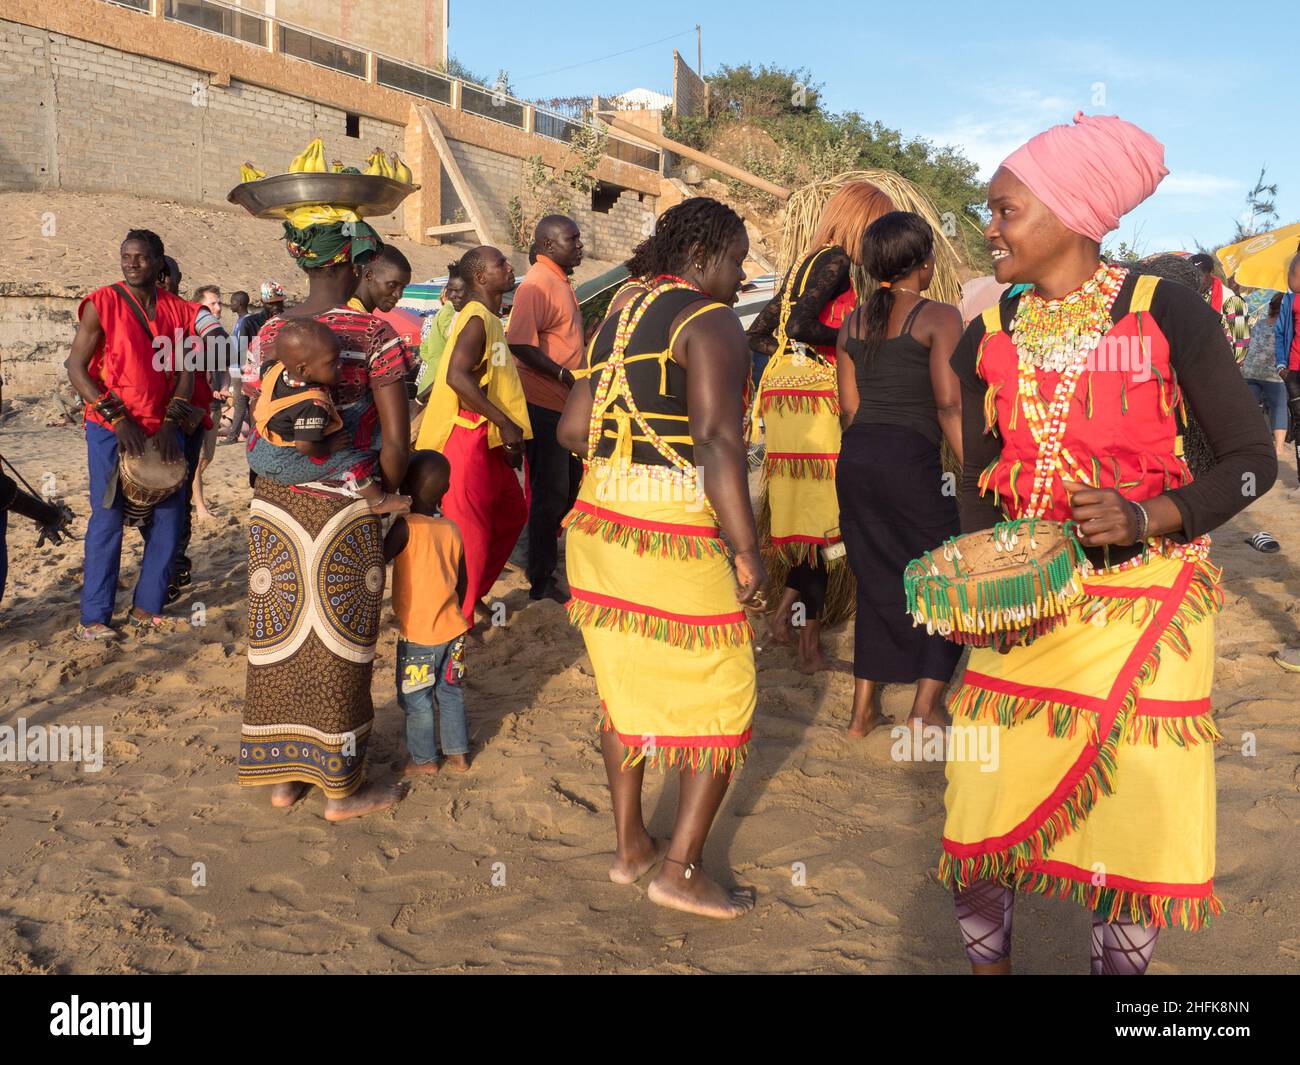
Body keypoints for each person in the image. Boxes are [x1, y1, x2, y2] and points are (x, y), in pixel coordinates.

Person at [942, 113, 1275, 974]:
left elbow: (1250, 464)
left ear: (1070, 213)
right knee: (977, 811)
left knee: (1124, 835)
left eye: (1005, 209)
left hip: (1145, 609)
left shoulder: (1168, 311)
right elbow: (980, 486)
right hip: (1024, 612)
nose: (990, 227)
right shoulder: (989, 334)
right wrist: (985, 590)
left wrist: (1148, 515)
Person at [557, 197, 765, 919]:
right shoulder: (709, 321)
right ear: (705, 255)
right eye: (738, 261)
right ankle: (679, 869)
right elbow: (716, 441)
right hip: (667, 532)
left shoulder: (620, 310)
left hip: (597, 524)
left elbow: (573, 429)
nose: (742, 279)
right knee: (728, 692)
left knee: (625, 688)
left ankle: (630, 848)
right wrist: (747, 550)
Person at [240, 215, 410, 822]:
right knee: (340, 644)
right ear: (350, 265)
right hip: (344, 507)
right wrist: (386, 495)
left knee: (279, 638)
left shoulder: (269, 335)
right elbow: (396, 441)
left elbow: (261, 419)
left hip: (274, 508)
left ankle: (284, 781)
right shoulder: (373, 335)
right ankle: (343, 791)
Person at [747, 182, 895, 673]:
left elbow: (760, 334)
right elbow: (797, 328)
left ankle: (783, 623)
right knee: (826, 523)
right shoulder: (835, 263)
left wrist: (794, 367)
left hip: (787, 397)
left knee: (806, 522)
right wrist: (856, 340)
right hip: (814, 400)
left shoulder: (802, 265)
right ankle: (807, 646)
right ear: (857, 222)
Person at [834, 211, 964, 736]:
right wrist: (978, 471)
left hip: (857, 457)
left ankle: (862, 711)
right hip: (909, 459)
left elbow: (848, 409)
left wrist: (863, 460)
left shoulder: (851, 322)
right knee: (948, 574)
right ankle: (925, 705)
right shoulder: (939, 318)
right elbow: (949, 405)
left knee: (876, 579)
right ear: (924, 262)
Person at [64, 229, 197, 639]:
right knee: (107, 517)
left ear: (159, 262)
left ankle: (145, 609)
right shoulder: (102, 302)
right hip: (109, 427)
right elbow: (76, 367)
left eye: (140, 257)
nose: (131, 263)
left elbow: (187, 372)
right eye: (126, 256)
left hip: (163, 428)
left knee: (171, 520)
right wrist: (118, 419)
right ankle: (94, 619)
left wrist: (172, 425)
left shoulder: (181, 310)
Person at [415, 246, 531, 627]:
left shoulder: (490, 318)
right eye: (501, 264)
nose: (509, 267)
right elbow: (456, 377)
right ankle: (455, 624)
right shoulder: (477, 319)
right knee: (473, 536)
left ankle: (469, 592)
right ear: (481, 277)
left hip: (489, 439)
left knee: (513, 512)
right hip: (465, 439)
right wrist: (507, 424)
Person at [249, 317, 410, 515]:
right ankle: (378, 500)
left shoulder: (275, 370)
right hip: (280, 462)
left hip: (257, 445)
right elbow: (305, 446)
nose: (341, 365)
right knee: (353, 460)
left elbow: (269, 361)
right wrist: (329, 447)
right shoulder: (313, 404)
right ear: (303, 369)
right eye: (332, 363)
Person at [507, 215, 586, 602]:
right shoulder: (538, 283)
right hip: (542, 402)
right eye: (573, 239)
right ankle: (540, 579)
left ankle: (533, 556)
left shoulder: (558, 281)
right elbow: (519, 343)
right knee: (551, 494)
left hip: (562, 404)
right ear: (548, 244)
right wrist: (562, 374)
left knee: (567, 490)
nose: (580, 245)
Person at [384, 450, 471, 775]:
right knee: (450, 692)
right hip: (453, 629)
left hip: (418, 635)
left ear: (405, 487)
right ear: (445, 491)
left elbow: (379, 558)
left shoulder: (404, 527)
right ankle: (458, 754)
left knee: (416, 698)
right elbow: (462, 582)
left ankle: (423, 760)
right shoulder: (451, 528)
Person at [158, 260, 226, 603]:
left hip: (189, 419)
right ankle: (167, 563)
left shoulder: (192, 314)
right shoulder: (141, 315)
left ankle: (173, 566)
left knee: (178, 494)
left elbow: (220, 341)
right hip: (146, 419)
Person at [223, 281, 286, 444]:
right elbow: (244, 350)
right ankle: (243, 437)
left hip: (278, 371)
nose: (275, 307)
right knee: (242, 402)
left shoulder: (288, 321)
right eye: (272, 304)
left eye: (278, 303)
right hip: (251, 370)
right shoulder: (251, 322)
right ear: (264, 303)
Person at [413, 261, 468, 401]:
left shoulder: (444, 312)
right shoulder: (450, 312)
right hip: (435, 386)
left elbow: (424, 350)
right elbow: (454, 339)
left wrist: (434, 358)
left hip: (432, 380)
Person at [1242, 293, 1288, 455]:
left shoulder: (1260, 324)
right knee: (1279, 407)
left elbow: (1249, 344)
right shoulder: (1285, 328)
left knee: (1251, 409)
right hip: (1273, 375)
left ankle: (1249, 443)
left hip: (1250, 371)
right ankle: (1280, 447)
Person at [1190, 253, 1250, 363]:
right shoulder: (1189, 296)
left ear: (1211, 273)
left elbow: (1241, 345)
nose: (1196, 280)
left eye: (1200, 275)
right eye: (1192, 275)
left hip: (1222, 365)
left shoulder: (1232, 300)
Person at [349, 245, 412, 315]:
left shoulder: (342, 305)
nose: (399, 295)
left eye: (402, 288)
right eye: (392, 285)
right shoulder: (357, 320)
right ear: (368, 276)